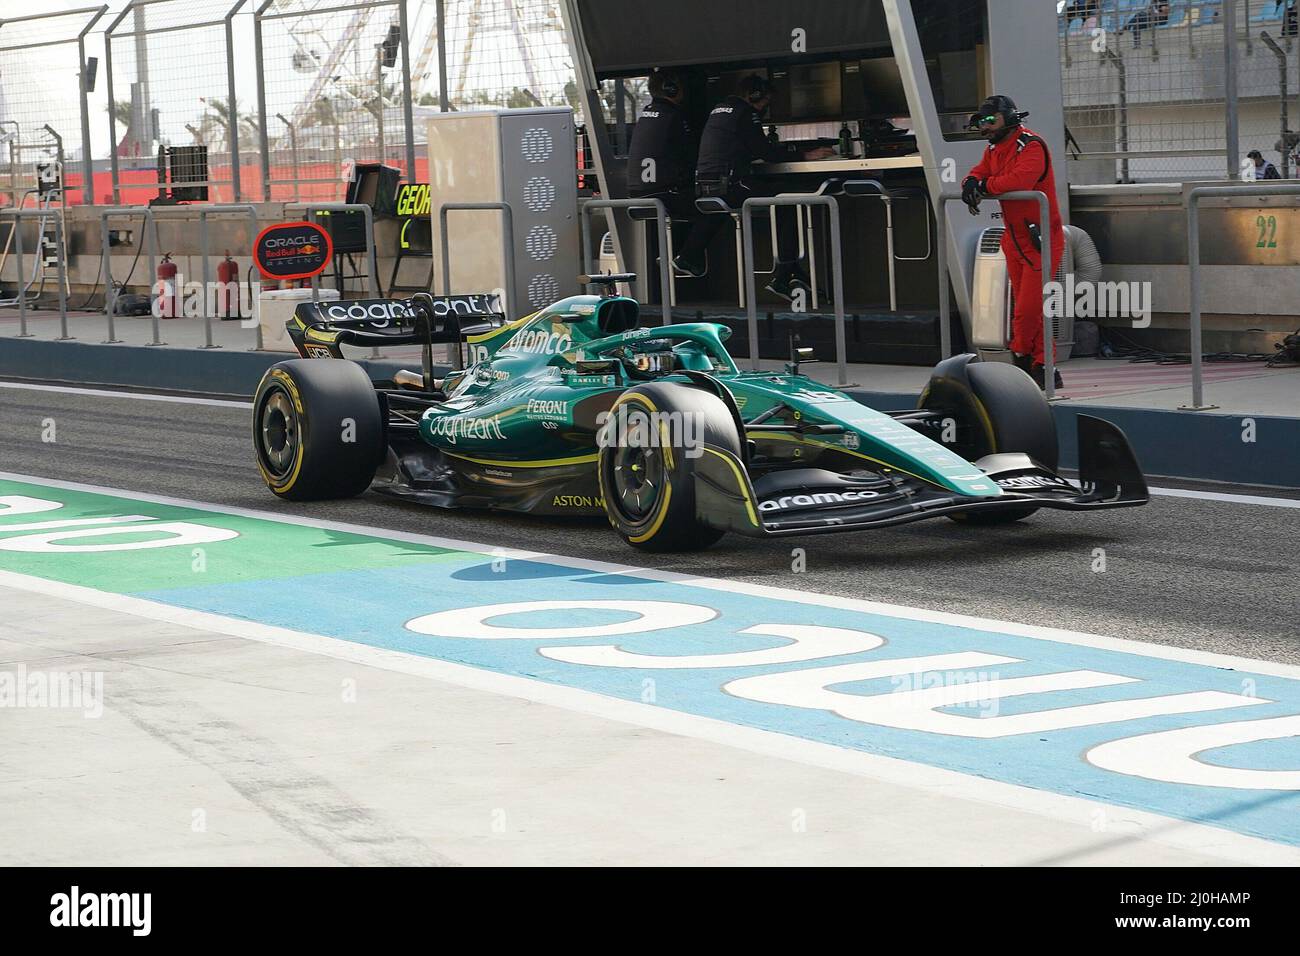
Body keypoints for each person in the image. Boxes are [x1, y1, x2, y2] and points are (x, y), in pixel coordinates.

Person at [684, 74, 835, 301]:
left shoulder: (720, 109)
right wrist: (806, 154)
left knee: (778, 196)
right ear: (754, 96)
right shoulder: (745, 113)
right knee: (788, 200)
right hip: (732, 187)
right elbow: (767, 153)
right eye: (766, 101)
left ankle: (688, 255)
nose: (766, 107)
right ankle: (784, 275)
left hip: (709, 187)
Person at [962, 94, 1066, 391]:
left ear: (1009, 118)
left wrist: (983, 186)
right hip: (1014, 238)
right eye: (982, 123)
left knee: (1030, 309)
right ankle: (1037, 365)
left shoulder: (1031, 145)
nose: (986, 127)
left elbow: (1018, 180)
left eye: (990, 121)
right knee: (1024, 305)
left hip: (1041, 239)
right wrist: (971, 182)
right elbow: (980, 172)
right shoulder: (994, 148)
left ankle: (1027, 358)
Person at [626, 69, 702, 249]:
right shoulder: (673, 116)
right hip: (663, 196)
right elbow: (689, 156)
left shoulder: (645, 115)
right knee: (709, 207)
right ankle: (686, 258)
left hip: (637, 196)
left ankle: (668, 257)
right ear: (671, 89)